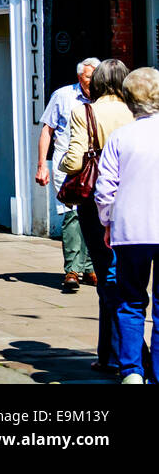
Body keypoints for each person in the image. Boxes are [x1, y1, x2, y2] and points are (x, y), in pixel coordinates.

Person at [60, 58, 133, 374]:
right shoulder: (136, 112)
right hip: (133, 200)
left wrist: (62, 165)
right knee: (126, 277)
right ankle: (113, 353)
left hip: (96, 202)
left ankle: (115, 356)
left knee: (107, 275)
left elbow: (75, 161)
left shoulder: (85, 111)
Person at [94, 66, 159, 385]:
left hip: (130, 230)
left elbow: (104, 188)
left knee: (131, 301)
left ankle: (132, 371)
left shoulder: (121, 137)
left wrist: (107, 221)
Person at [39, 57, 100, 291]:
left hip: (95, 165)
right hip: (66, 164)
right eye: (87, 79)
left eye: (95, 79)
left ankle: (90, 267)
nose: (91, 84)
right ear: (79, 77)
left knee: (93, 213)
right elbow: (47, 130)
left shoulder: (103, 97)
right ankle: (72, 270)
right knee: (72, 214)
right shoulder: (63, 96)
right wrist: (41, 165)